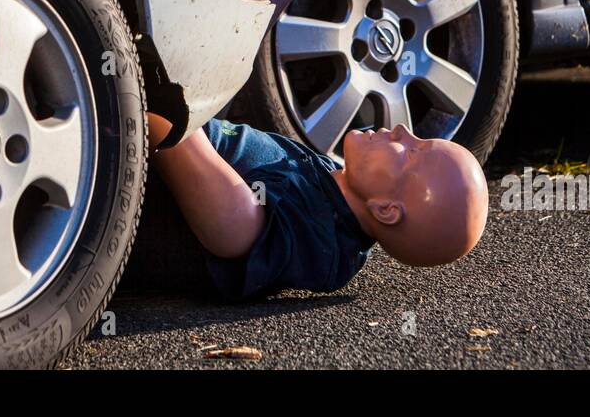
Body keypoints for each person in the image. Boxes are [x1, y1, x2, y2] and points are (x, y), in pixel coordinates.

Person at [144, 113, 489, 300]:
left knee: (241, 222)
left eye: (412, 151)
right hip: (156, 123)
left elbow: (233, 230)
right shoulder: (331, 181)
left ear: (385, 209)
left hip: (135, 155)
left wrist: (161, 113)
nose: (402, 130)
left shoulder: (321, 240)